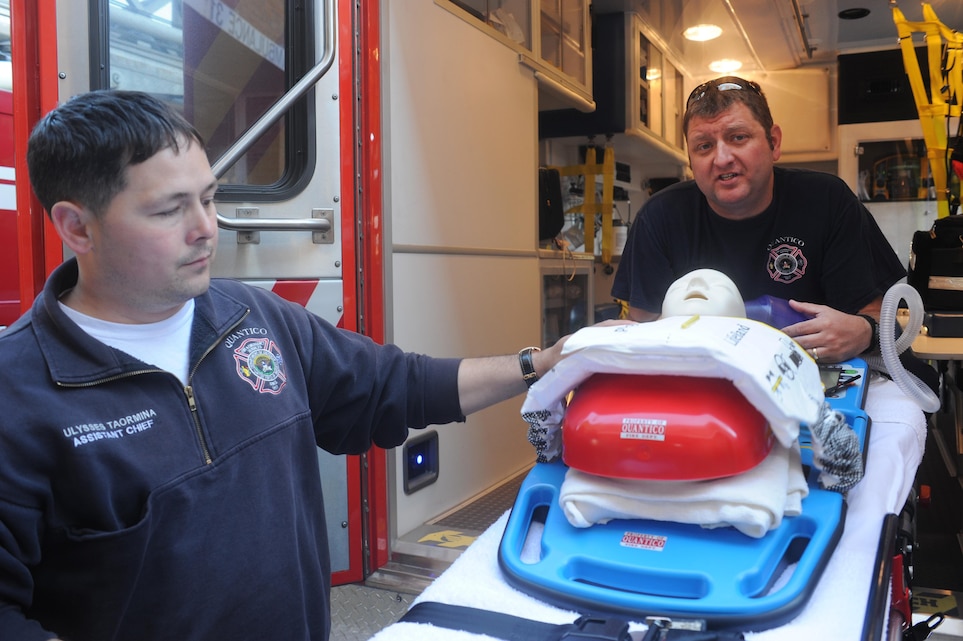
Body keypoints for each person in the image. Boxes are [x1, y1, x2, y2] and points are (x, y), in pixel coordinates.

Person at [0, 90, 579, 641]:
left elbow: (394, 385)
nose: (206, 227)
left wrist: (545, 363)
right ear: (76, 227)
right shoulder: (18, 395)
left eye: (208, 197)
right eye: (170, 210)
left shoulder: (254, 318)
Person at [612, 76, 906, 365]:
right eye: (704, 146)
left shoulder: (827, 201)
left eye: (738, 137)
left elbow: (880, 316)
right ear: (690, 161)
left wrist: (866, 331)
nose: (722, 158)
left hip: (818, 373)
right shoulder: (659, 218)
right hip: (702, 379)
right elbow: (642, 329)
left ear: (773, 142)